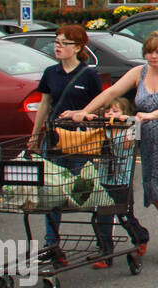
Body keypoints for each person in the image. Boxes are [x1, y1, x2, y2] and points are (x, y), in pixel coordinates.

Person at [62, 31, 158, 266]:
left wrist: (151, 114)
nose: (153, 56)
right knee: (157, 193)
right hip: (151, 139)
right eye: (149, 52)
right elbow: (111, 92)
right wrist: (84, 111)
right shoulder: (139, 72)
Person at [26, 24, 104, 265]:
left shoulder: (89, 75)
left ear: (78, 47)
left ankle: (103, 243)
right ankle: (52, 245)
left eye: (64, 43)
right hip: (54, 140)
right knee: (52, 191)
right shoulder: (50, 73)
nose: (58, 47)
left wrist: (83, 115)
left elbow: (98, 107)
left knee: (87, 192)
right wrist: (34, 135)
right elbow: (44, 103)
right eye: (56, 43)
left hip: (80, 141)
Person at [90, 96, 149, 267]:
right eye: (108, 111)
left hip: (121, 181)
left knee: (124, 215)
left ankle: (141, 237)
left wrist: (130, 121)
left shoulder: (128, 130)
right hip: (104, 180)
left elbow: (126, 145)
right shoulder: (103, 131)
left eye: (115, 111)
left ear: (124, 114)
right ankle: (106, 254)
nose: (110, 114)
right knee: (102, 217)